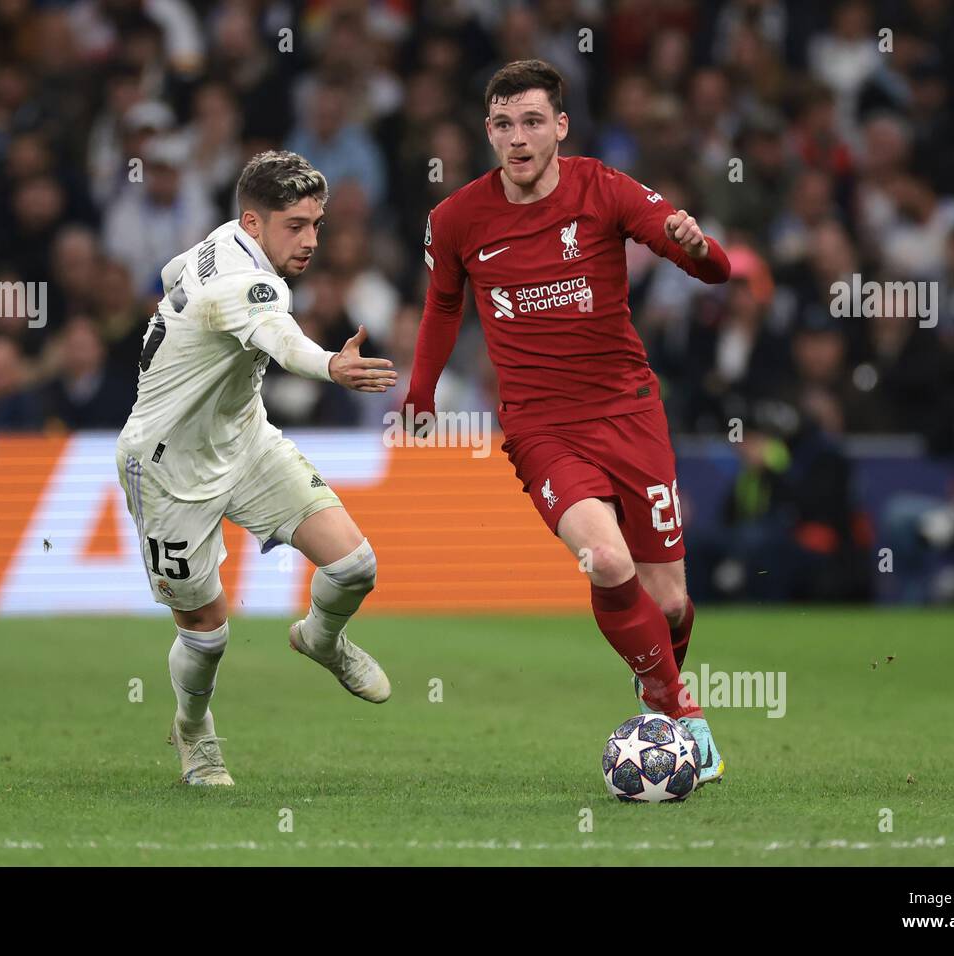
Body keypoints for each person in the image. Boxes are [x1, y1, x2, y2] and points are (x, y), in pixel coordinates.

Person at [403, 60, 732, 787]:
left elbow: (716, 271)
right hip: (541, 427)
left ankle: (657, 677)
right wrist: (421, 394)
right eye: (501, 124)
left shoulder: (604, 189)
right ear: (486, 131)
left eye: (530, 122)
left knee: (671, 603)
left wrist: (697, 245)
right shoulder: (457, 218)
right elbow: (443, 308)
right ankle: (678, 708)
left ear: (560, 126)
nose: (516, 138)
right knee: (608, 563)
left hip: (630, 412)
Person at [115, 150, 398, 786]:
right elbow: (281, 337)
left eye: (317, 224)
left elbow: (170, 277)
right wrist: (331, 366)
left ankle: (320, 639)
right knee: (207, 635)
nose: (310, 239)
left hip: (243, 440)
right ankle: (194, 733)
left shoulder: (213, 248)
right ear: (253, 221)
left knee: (355, 565)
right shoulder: (249, 283)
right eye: (295, 225)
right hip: (167, 467)